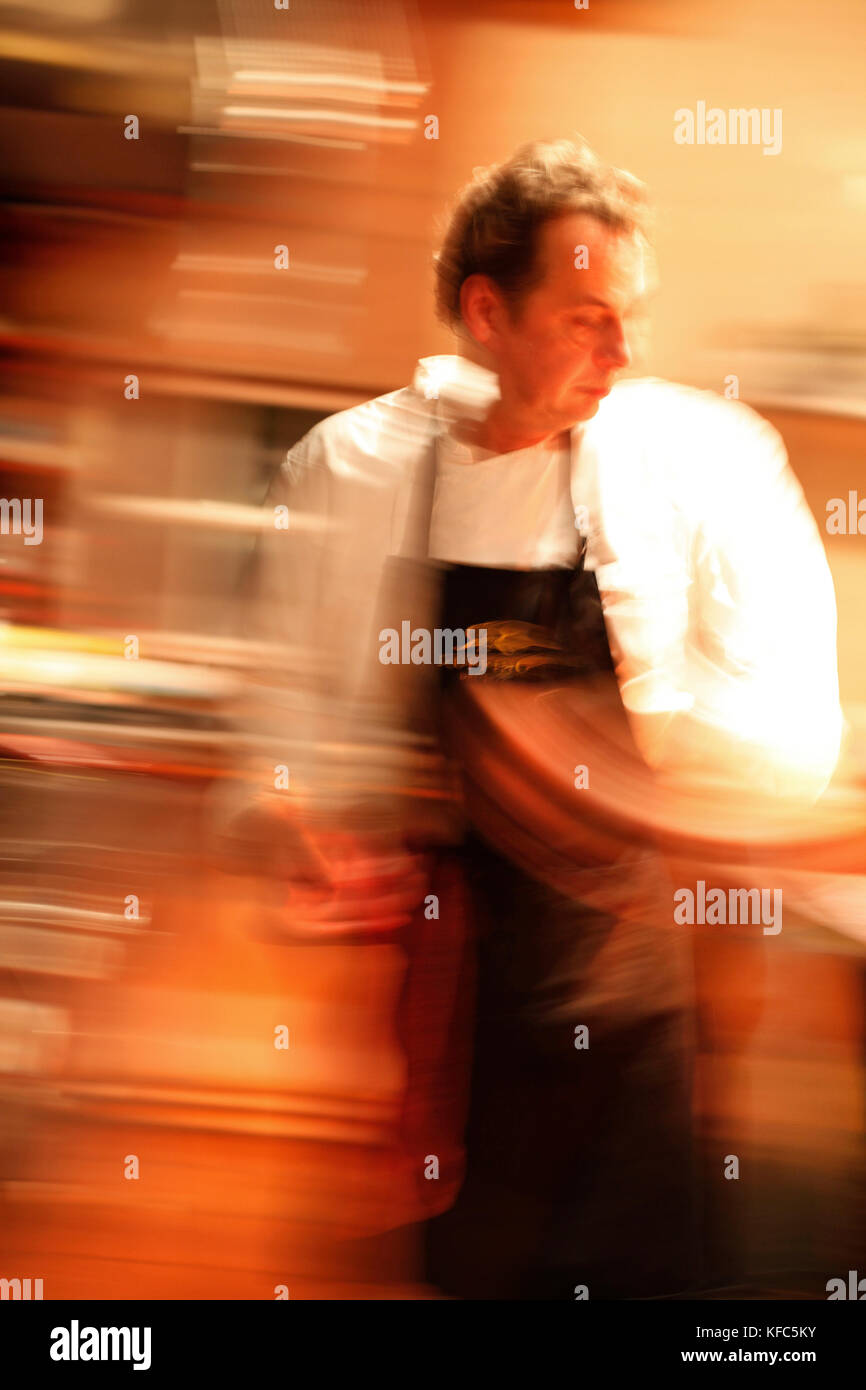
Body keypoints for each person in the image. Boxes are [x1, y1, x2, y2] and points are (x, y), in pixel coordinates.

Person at [232, 138, 844, 1298]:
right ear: (485, 311)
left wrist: (613, 768)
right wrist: (299, 828)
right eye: (584, 318)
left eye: (632, 315)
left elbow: (794, 741)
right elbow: (285, 732)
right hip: (447, 1033)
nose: (625, 350)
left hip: (643, 1021)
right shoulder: (346, 476)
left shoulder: (702, 467)